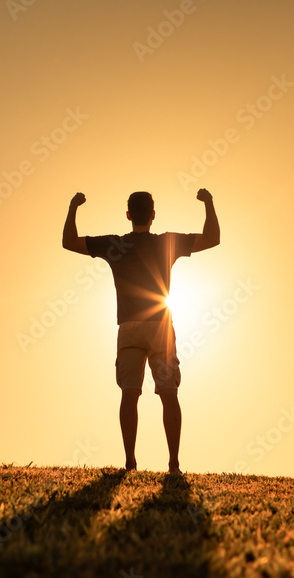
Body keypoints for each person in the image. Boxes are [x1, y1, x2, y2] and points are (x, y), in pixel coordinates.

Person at [61, 188, 220, 474]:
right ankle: (173, 464)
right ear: (153, 215)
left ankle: (130, 462)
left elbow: (69, 241)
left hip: (130, 327)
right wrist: (208, 202)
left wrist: (73, 207)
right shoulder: (166, 243)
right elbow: (212, 238)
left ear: (128, 215)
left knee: (129, 393)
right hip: (160, 325)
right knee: (169, 394)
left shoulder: (116, 245)